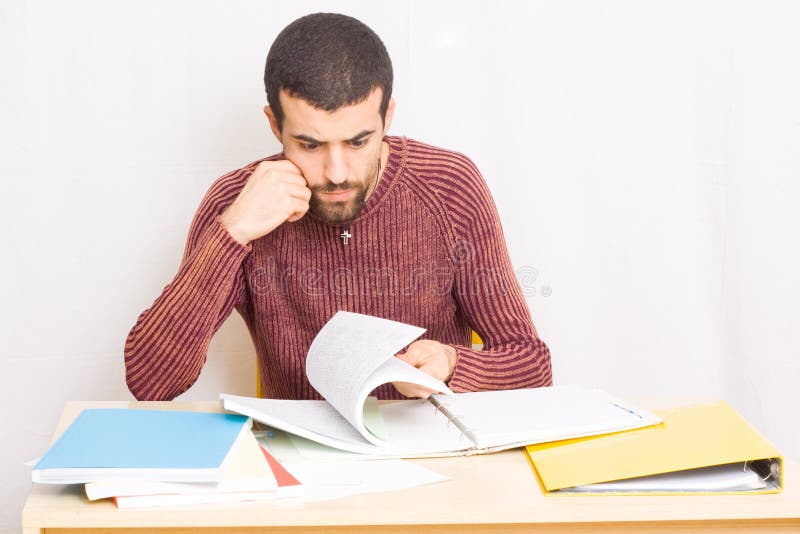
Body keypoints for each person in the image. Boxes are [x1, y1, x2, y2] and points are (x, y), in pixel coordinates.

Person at [125, 12, 552, 401]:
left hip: (430, 458)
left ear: (387, 118)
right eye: (309, 145)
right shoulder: (239, 202)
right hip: (300, 468)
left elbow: (532, 363)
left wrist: (453, 363)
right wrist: (232, 232)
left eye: (358, 141)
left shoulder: (449, 187)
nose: (335, 172)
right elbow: (150, 382)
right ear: (275, 124)